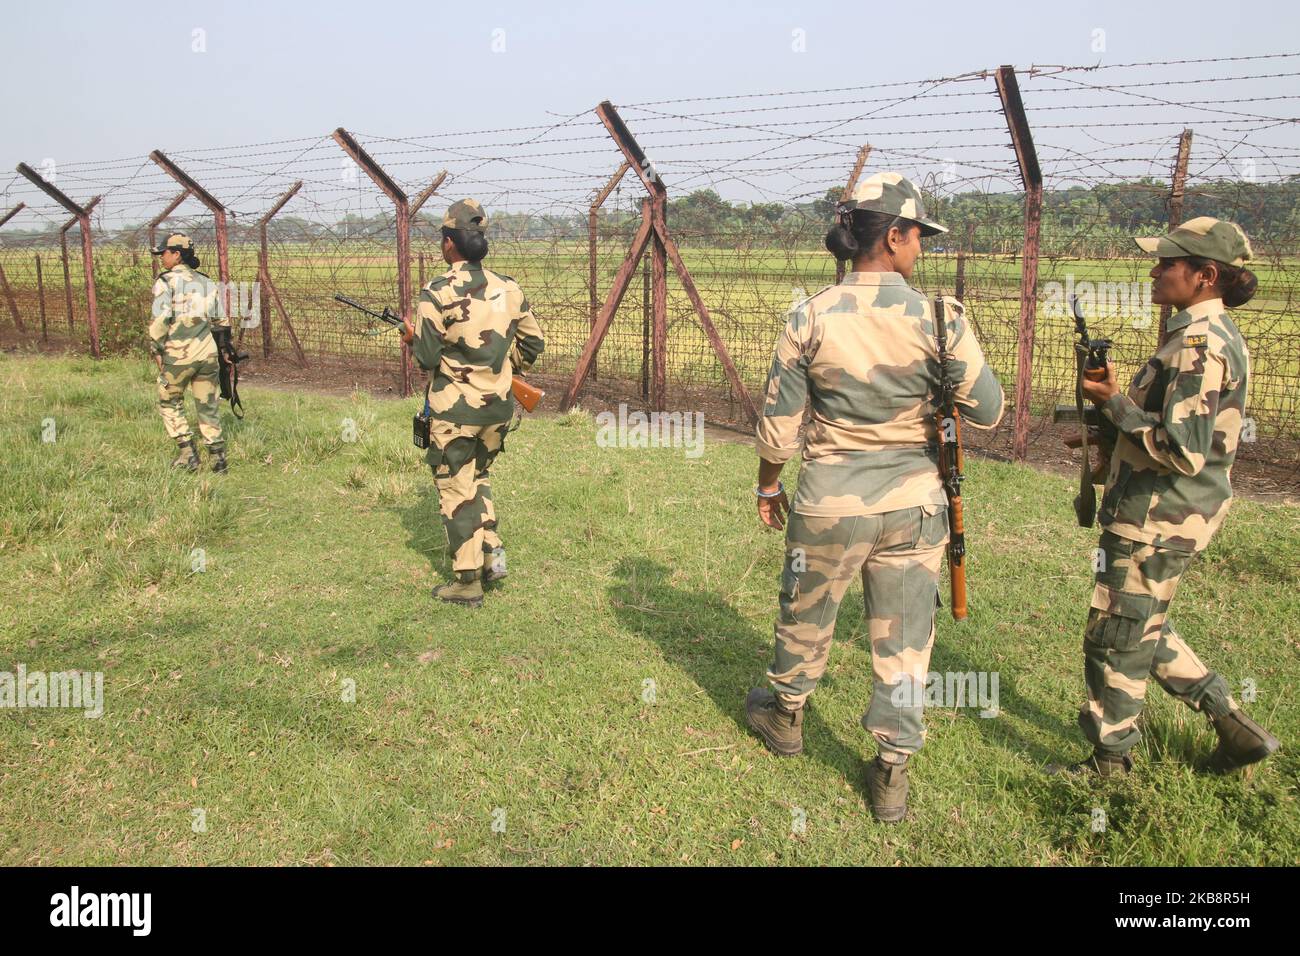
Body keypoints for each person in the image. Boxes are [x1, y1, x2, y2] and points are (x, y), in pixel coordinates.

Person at [745, 172, 1004, 822]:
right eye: (919, 235)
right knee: (904, 636)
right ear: (892, 235)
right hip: (915, 506)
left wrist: (768, 483)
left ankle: (785, 718)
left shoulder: (809, 315)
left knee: (806, 613)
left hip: (830, 501)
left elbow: (779, 428)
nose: (922, 248)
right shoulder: (941, 317)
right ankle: (891, 774)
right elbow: (988, 411)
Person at [1058, 217, 1279, 776]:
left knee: (1113, 637)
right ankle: (1232, 723)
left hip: (1156, 514)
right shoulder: (1196, 334)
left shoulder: (1199, 347)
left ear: (1205, 276)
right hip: (1170, 513)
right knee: (1140, 623)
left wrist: (1114, 404)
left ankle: (1111, 763)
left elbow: (1182, 448)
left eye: (1168, 263)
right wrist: (1110, 424)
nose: (1155, 271)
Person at [401, 199, 545, 608]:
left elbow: (428, 359)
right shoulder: (509, 288)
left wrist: (414, 340)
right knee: (477, 479)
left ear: (449, 243)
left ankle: (466, 583)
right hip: (497, 410)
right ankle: (492, 558)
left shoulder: (437, 291)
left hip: (454, 412)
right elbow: (533, 342)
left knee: (455, 490)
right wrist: (500, 365)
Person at [148, 232, 229, 473]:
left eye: (164, 253)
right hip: (207, 354)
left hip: (178, 354)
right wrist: (223, 351)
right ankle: (218, 458)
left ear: (176, 254)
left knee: (169, 400)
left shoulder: (165, 282)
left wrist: (157, 349)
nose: (161, 257)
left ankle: (187, 454)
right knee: (208, 403)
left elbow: (160, 320)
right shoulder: (206, 282)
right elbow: (221, 321)